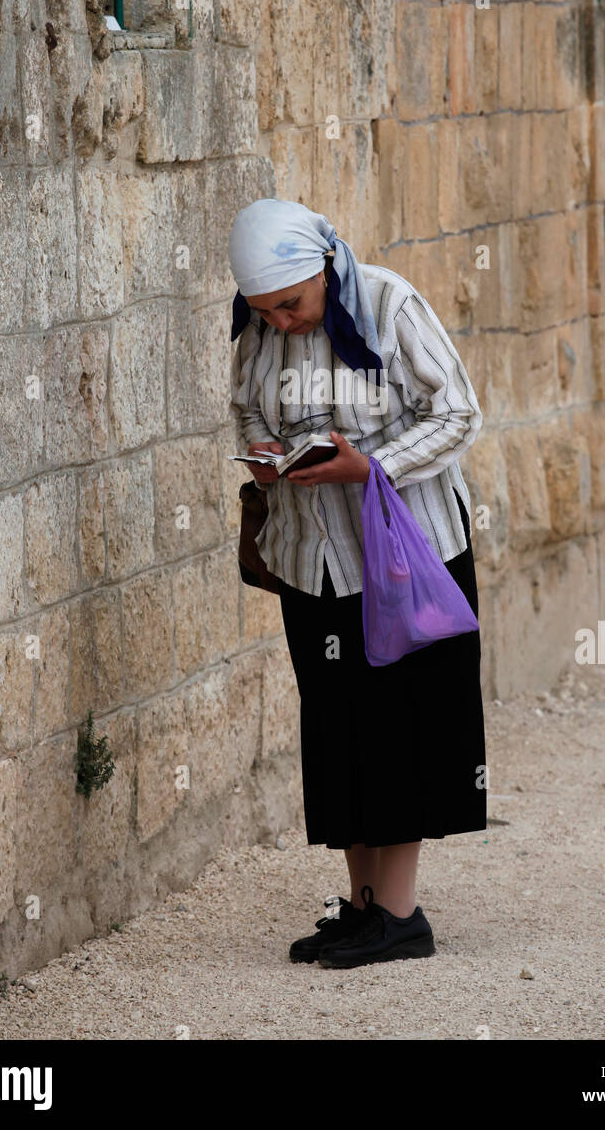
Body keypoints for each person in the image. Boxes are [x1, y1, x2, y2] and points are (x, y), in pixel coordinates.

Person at [228, 197, 487, 970]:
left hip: (405, 557)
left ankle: (402, 916)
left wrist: (373, 466)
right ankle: (364, 908)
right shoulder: (258, 331)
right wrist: (263, 451)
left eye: (292, 304)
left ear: (324, 269)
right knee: (339, 729)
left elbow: (459, 413)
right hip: (314, 561)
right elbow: (243, 408)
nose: (281, 322)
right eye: (265, 312)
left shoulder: (388, 302)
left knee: (401, 724)